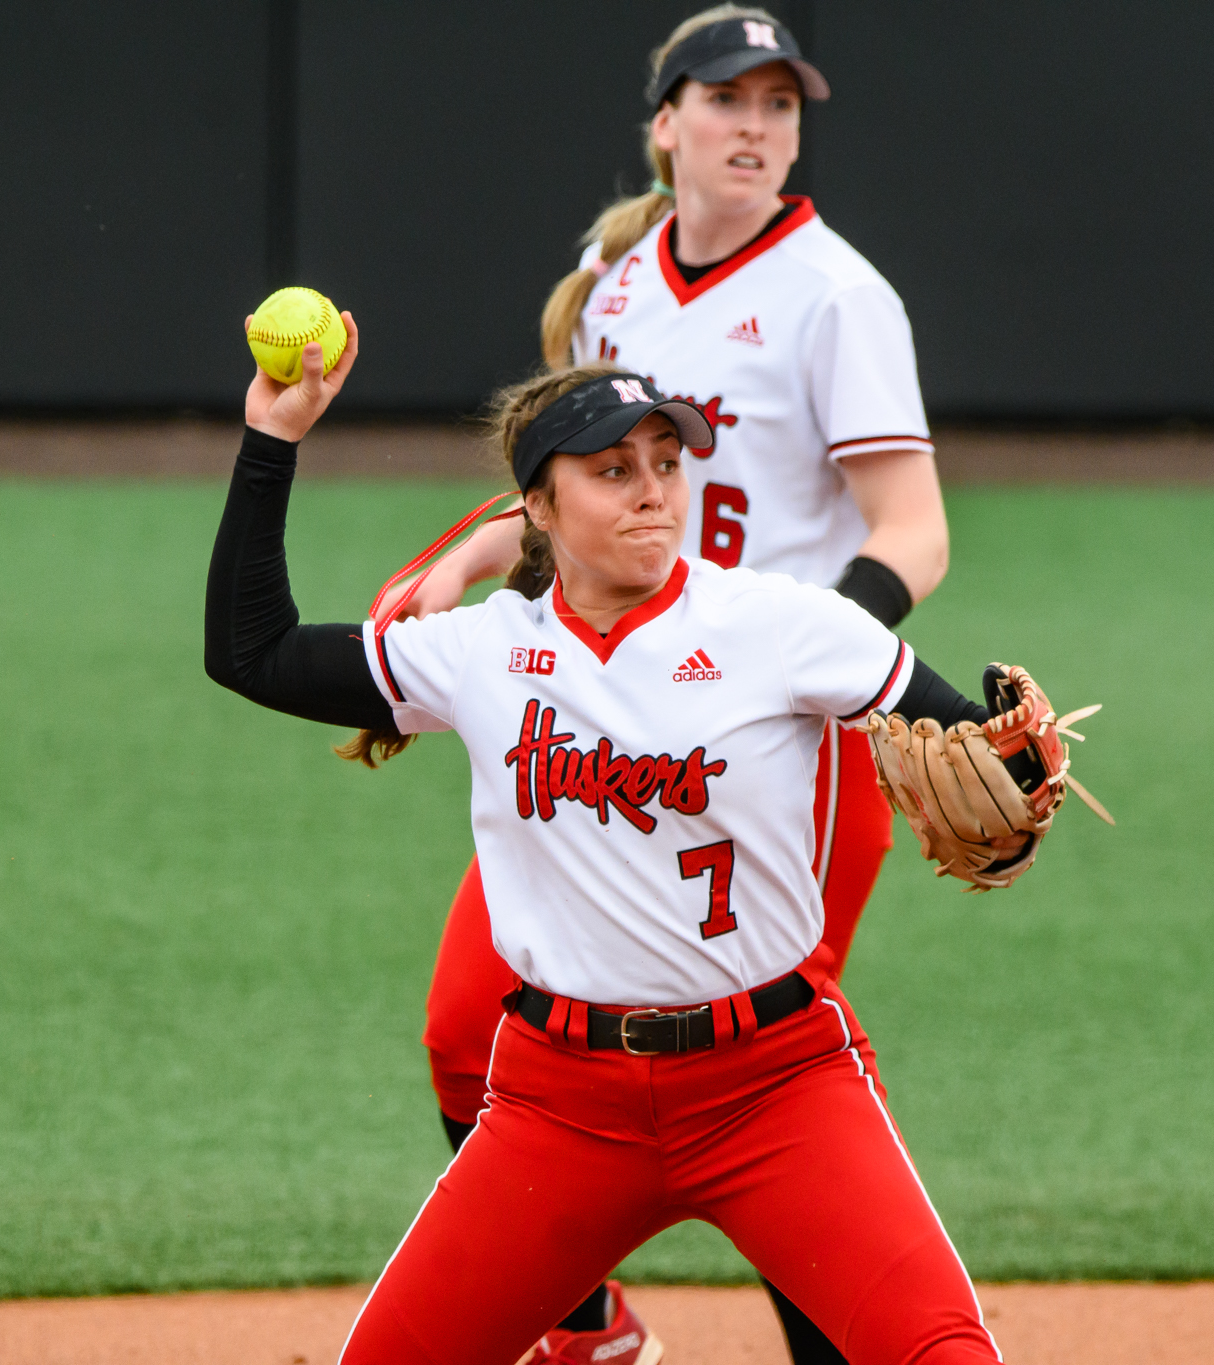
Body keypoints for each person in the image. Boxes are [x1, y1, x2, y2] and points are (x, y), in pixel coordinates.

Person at [206, 323, 1019, 1363]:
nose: (653, 491)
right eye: (612, 470)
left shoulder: (781, 623)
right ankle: (591, 1338)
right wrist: (270, 443)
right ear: (536, 508)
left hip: (774, 1090)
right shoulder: (480, 655)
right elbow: (252, 653)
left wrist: (1012, 789)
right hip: (558, 1109)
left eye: (667, 464)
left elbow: (966, 741)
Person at [390, 12, 947, 1357]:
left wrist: (826, 663)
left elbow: (914, 530)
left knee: (774, 1102)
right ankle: (581, 1322)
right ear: (665, 127)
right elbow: (566, 486)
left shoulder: (835, 294)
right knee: (468, 1028)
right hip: (602, 712)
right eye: (725, 101)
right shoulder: (613, 277)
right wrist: (468, 554)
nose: (754, 127)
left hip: (772, 752)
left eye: (779, 104)